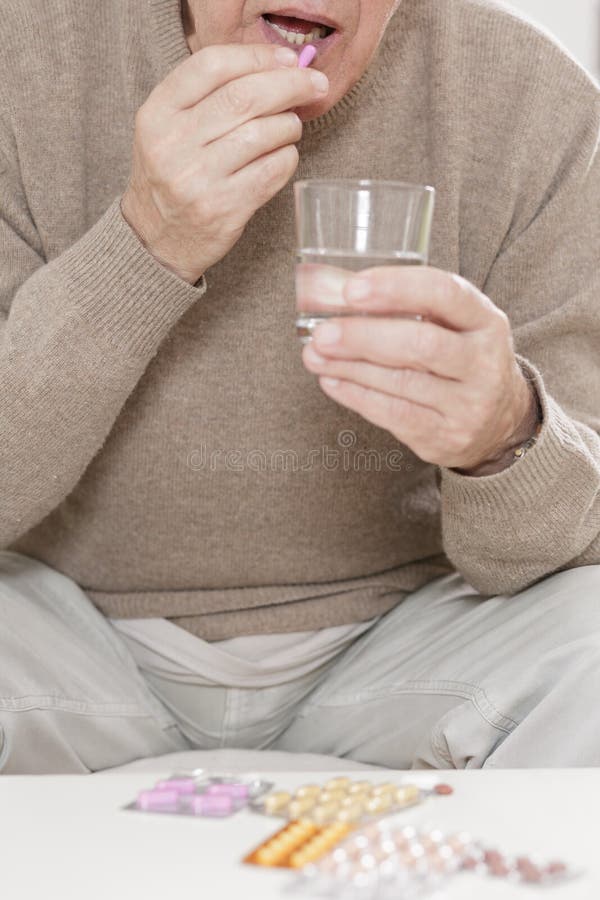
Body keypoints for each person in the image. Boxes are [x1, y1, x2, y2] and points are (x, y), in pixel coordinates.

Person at [1, 0, 599, 774]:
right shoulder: (23, 58)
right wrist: (149, 238)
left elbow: (573, 544)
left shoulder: (533, 97)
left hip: (400, 651)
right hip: (66, 638)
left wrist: (504, 435)